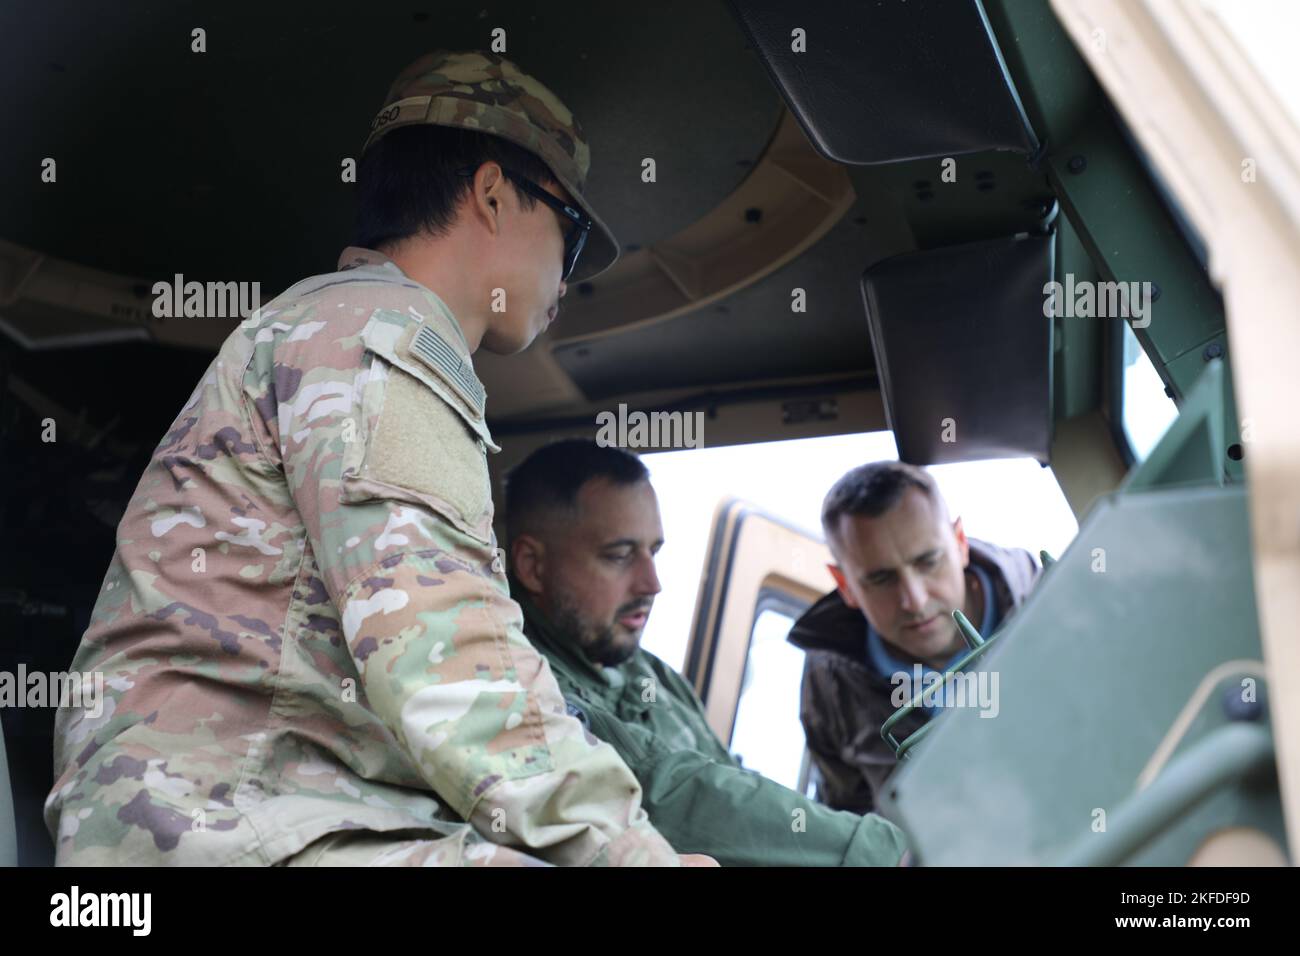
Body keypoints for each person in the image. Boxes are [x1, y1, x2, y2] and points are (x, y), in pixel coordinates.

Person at [44, 51, 695, 867]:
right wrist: (628, 849)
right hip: (228, 818)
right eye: (568, 240)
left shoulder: (342, 325)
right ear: (494, 194)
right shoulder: (383, 332)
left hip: (247, 809)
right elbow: (441, 644)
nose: (565, 282)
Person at [503, 439, 909, 866]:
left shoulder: (649, 674)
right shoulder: (510, 676)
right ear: (532, 565)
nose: (651, 583)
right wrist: (887, 851)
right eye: (619, 556)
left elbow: (730, 779)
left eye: (653, 552)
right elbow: (665, 789)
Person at [788, 461, 1040, 814]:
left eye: (928, 561)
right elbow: (852, 820)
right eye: (881, 579)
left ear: (960, 543)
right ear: (845, 585)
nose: (915, 600)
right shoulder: (831, 682)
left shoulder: (1045, 600)